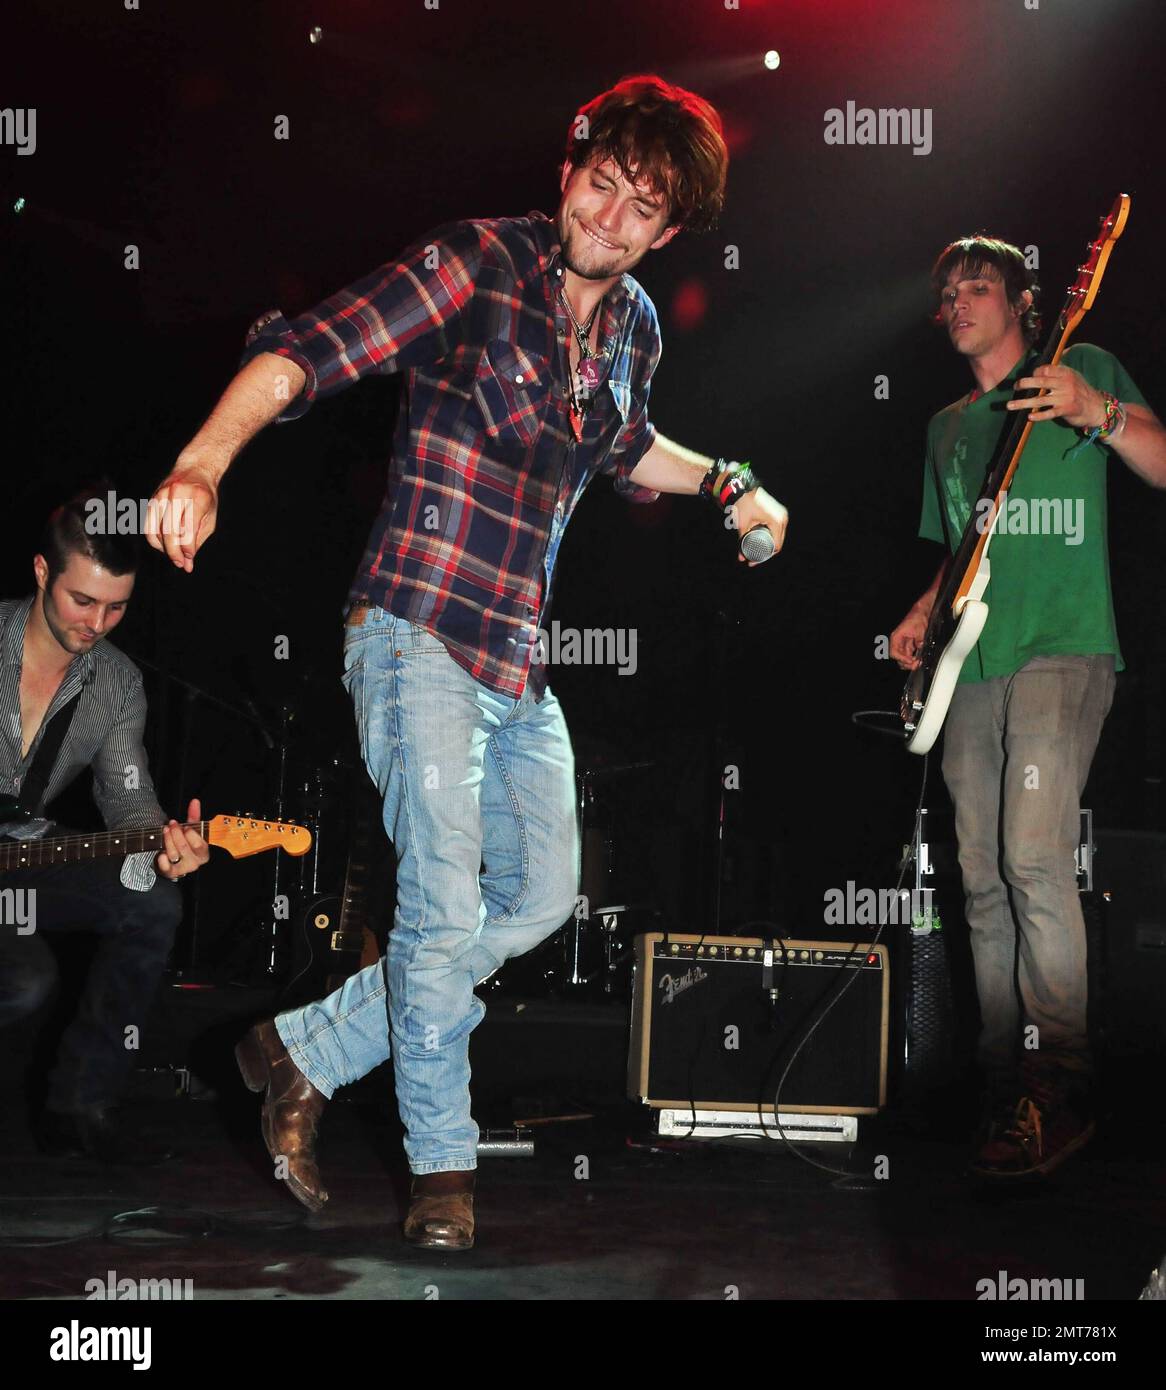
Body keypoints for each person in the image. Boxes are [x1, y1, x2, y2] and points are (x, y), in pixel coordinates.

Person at [147, 74, 789, 1246]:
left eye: (640, 209)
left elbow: (629, 448)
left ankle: (300, 1048)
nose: (609, 219)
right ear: (568, 169)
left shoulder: (634, 329)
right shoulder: (474, 266)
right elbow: (314, 350)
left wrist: (732, 484)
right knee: (440, 909)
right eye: (600, 185)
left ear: (667, 228)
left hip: (515, 662)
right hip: (411, 631)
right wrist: (201, 462)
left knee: (538, 901)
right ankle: (443, 1173)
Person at [890, 234, 1166, 1179]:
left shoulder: (1078, 369)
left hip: (1064, 647)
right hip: (972, 665)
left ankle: (1062, 1082)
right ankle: (1006, 1079)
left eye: (980, 285)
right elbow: (966, 542)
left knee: (1032, 859)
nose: (961, 300)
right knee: (977, 878)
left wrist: (1102, 411)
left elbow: (1164, 462)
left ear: (1022, 302)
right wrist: (926, 610)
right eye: (950, 290)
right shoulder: (945, 426)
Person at [0, 493, 209, 1164]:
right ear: (40, 572)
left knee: (151, 899)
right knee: (25, 982)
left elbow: (130, 805)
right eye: (82, 601)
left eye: (115, 607)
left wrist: (165, 848)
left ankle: (80, 1105)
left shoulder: (117, 685)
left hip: (20, 862)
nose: (97, 623)